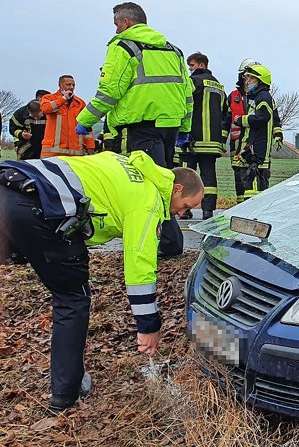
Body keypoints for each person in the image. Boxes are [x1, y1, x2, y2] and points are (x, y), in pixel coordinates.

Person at [0, 151, 203, 411]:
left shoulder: (129, 165)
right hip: (35, 206)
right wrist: (148, 325)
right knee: (73, 298)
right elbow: (139, 267)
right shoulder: (147, 201)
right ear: (176, 189)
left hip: (10, 181)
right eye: (186, 206)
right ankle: (66, 392)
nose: (181, 214)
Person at [75, 2, 194, 256]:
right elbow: (187, 93)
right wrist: (184, 126)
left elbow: (110, 91)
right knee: (162, 178)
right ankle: (169, 241)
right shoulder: (173, 50)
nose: (116, 30)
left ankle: (162, 242)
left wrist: (85, 119)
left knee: (145, 183)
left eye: (117, 24)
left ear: (126, 22)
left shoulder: (123, 46)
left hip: (140, 124)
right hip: (169, 125)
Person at [181, 52, 229, 219]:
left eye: (192, 66)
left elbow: (184, 102)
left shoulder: (194, 82)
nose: (190, 70)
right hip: (212, 143)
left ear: (201, 65)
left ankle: (184, 210)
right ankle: (208, 212)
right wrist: (221, 140)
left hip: (193, 139)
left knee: (187, 176)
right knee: (209, 178)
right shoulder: (219, 86)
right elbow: (225, 116)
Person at [234, 64, 276, 200]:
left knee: (255, 189)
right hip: (256, 148)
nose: (248, 81)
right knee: (250, 186)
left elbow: (261, 118)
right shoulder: (260, 97)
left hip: (258, 150)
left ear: (260, 80)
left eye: (251, 78)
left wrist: (241, 120)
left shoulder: (263, 97)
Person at [39, 76, 95, 157]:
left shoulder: (80, 103)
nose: (72, 87)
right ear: (60, 85)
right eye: (68, 84)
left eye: (73, 85)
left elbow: (87, 125)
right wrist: (63, 98)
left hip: (75, 152)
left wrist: (90, 145)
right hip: (53, 152)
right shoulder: (49, 98)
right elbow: (45, 109)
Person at [8, 90, 49, 159]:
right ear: (40, 98)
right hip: (26, 150)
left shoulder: (50, 113)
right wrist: (21, 134)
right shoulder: (20, 114)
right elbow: (13, 128)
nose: (36, 119)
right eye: (34, 116)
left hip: (45, 149)